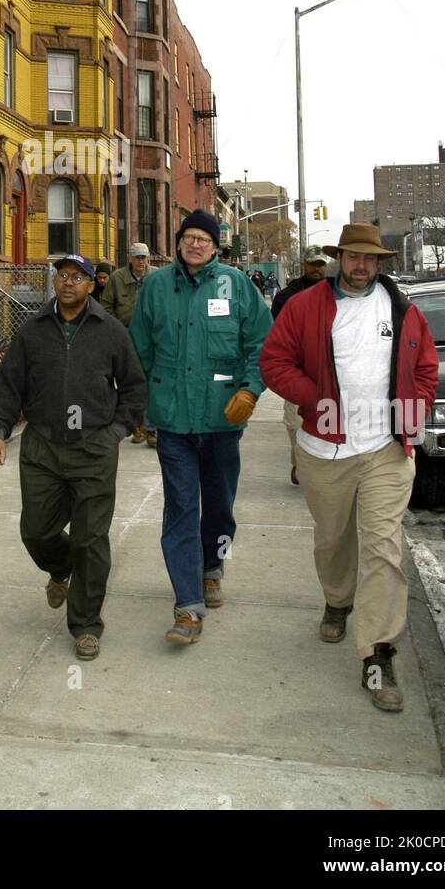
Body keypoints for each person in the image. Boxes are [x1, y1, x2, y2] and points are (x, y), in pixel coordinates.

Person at [259, 224, 439, 712]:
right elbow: (273, 362)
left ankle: (377, 653)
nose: (361, 266)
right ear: (339, 257)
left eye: (370, 258)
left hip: (385, 449)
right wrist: (314, 399)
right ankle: (338, 599)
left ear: (380, 262)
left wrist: (413, 413)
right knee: (334, 540)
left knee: (383, 547)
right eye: (352, 257)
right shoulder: (305, 306)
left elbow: (425, 368)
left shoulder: (402, 311)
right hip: (324, 451)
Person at [0, 253, 146, 662]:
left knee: (91, 540)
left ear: (93, 286)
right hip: (42, 446)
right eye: (62, 276)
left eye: (78, 277)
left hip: (93, 447)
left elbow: (133, 385)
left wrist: (116, 431)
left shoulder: (110, 331)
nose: (68, 282)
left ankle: (87, 624)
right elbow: (8, 385)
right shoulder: (32, 330)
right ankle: (59, 569)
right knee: (36, 531)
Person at [129, 210, 273, 646]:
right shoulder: (155, 286)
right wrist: (140, 402)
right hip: (173, 421)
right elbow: (140, 348)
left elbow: (262, 344)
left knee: (220, 505)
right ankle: (187, 605)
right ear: (178, 243)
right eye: (188, 237)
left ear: (215, 246)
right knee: (181, 509)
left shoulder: (237, 285)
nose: (195, 244)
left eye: (203, 239)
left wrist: (250, 390)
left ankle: (215, 566)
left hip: (221, 421)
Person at [270, 246, 332, 485]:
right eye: (312, 264)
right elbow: (275, 336)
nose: (316, 269)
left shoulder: (339, 293)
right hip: (296, 372)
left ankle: (320, 469)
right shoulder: (287, 296)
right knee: (295, 424)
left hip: (331, 373)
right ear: (304, 265)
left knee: (329, 423)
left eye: (320, 264)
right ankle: (300, 466)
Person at [101, 242, 157, 447]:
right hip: (125, 337)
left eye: (144, 257)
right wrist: (118, 331)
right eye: (138, 257)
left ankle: (151, 429)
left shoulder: (157, 276)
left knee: (151, 381)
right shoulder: (117, 278)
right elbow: (106, 306)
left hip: (152, 338)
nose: (142, 261)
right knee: (130, 382)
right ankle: (135, 426)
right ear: (130, 259)